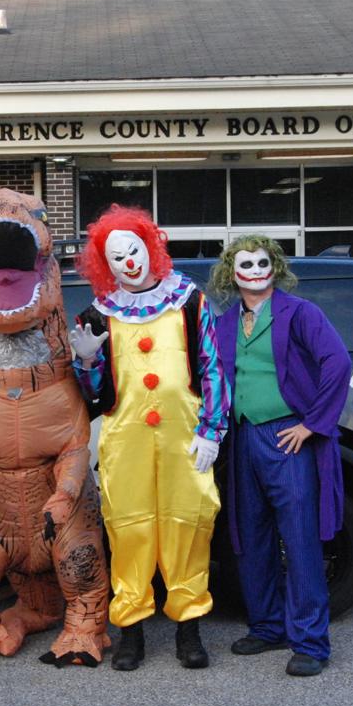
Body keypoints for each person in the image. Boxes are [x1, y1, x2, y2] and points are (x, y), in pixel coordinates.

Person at [71, 205, 229, 672]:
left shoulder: (190, 301)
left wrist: (212, 431)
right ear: (106, 264)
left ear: (150, 248)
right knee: (130, 530)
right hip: (126, 441)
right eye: (116, 256)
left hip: (187, 437)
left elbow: (214, 366)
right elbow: (95, 396)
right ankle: (131, 633)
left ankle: (189, 630)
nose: (128, 261)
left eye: (134, 250)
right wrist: (86, 363)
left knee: (188, 526)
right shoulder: (96, 315)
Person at [209, 235, 351, 677]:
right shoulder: (225, 322)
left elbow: (338, 363)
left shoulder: (301, 313)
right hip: (243, 438)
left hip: (286, 438)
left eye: (262, 261)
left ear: (275, 266)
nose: (254, 269)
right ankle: (268, 626)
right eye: (245, 263)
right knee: (251, 538)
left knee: (301, 539)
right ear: (231, 271)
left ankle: (309, 642)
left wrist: (311, 424)